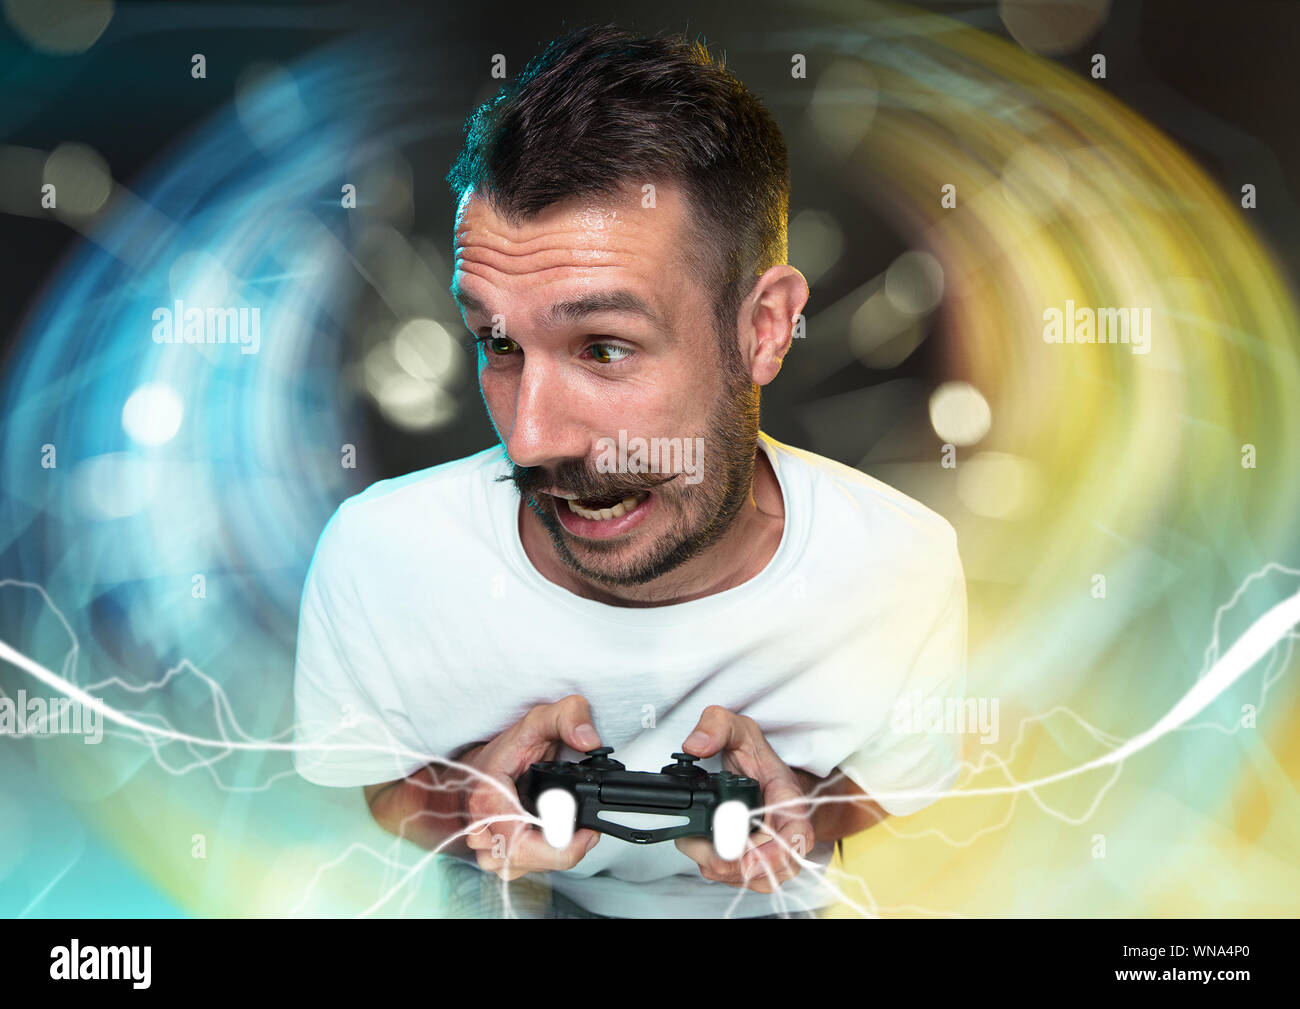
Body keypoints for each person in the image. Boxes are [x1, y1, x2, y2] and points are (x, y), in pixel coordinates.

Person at [292, 23, 967, 919]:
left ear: (764, 328)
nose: (529, 437)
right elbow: (380, 782)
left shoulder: (899, 569)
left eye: (604, 347)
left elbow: (894, 778)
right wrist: (468, 806)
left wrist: (805, 809)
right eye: (498, 342)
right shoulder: (378, 556)